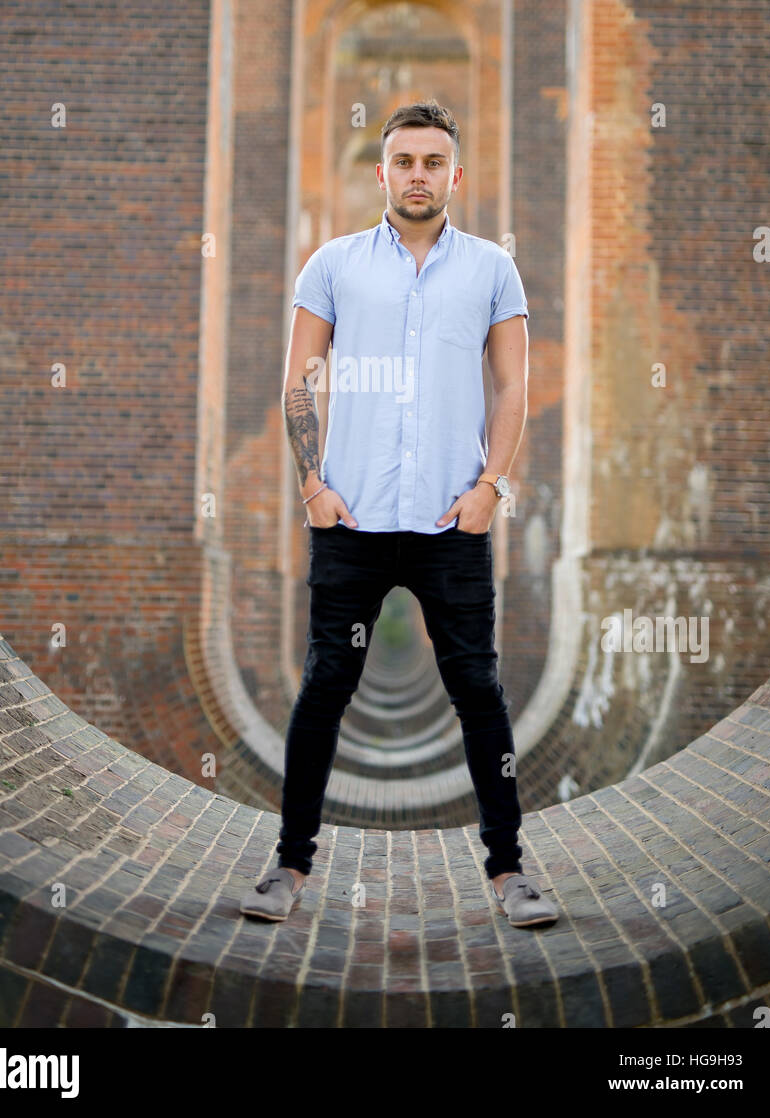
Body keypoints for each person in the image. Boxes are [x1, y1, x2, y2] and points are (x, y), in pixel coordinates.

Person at [240, 99, 558, 928]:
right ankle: (288, 864)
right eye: (404, 161)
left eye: (433, 161)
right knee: (323, 691)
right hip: (350, 522)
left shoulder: (491, 269)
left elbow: (514, 387)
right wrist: (313, 486)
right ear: (381, 173)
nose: (419, 174)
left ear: (455, 173)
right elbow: (299, 376)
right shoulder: (335, 265)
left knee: (479, 694)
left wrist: (492, 486)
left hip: (452, 524)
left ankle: (509, 870)